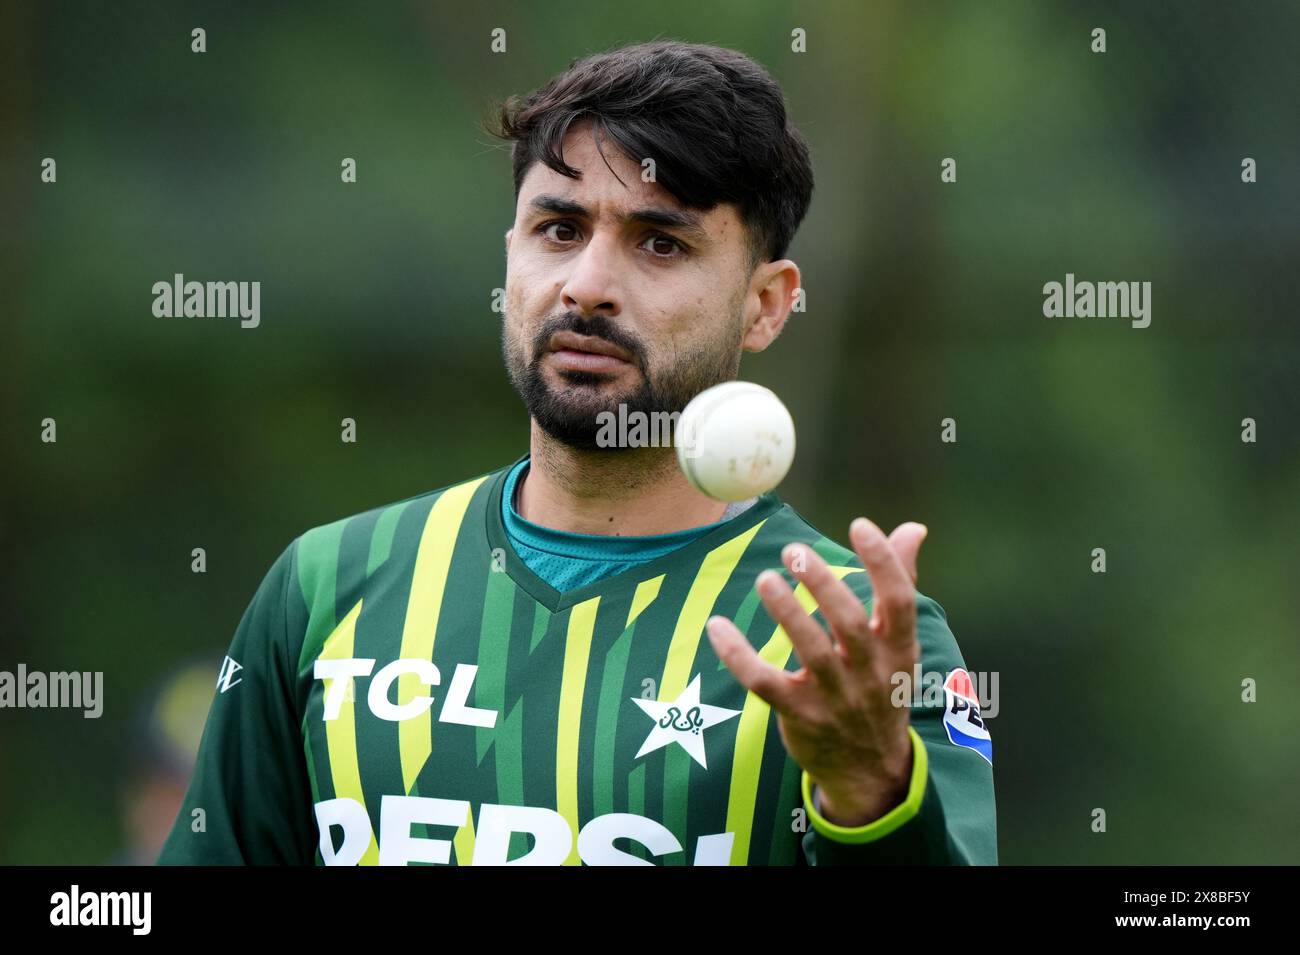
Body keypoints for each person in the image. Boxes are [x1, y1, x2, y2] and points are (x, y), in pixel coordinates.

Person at [159, 39, 996, 866]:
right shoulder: (323, 587)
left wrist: (874, 793)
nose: (587, 283)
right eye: (558, 229)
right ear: (512, 256)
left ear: (766, 305)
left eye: (660, 242)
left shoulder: (859, 643)